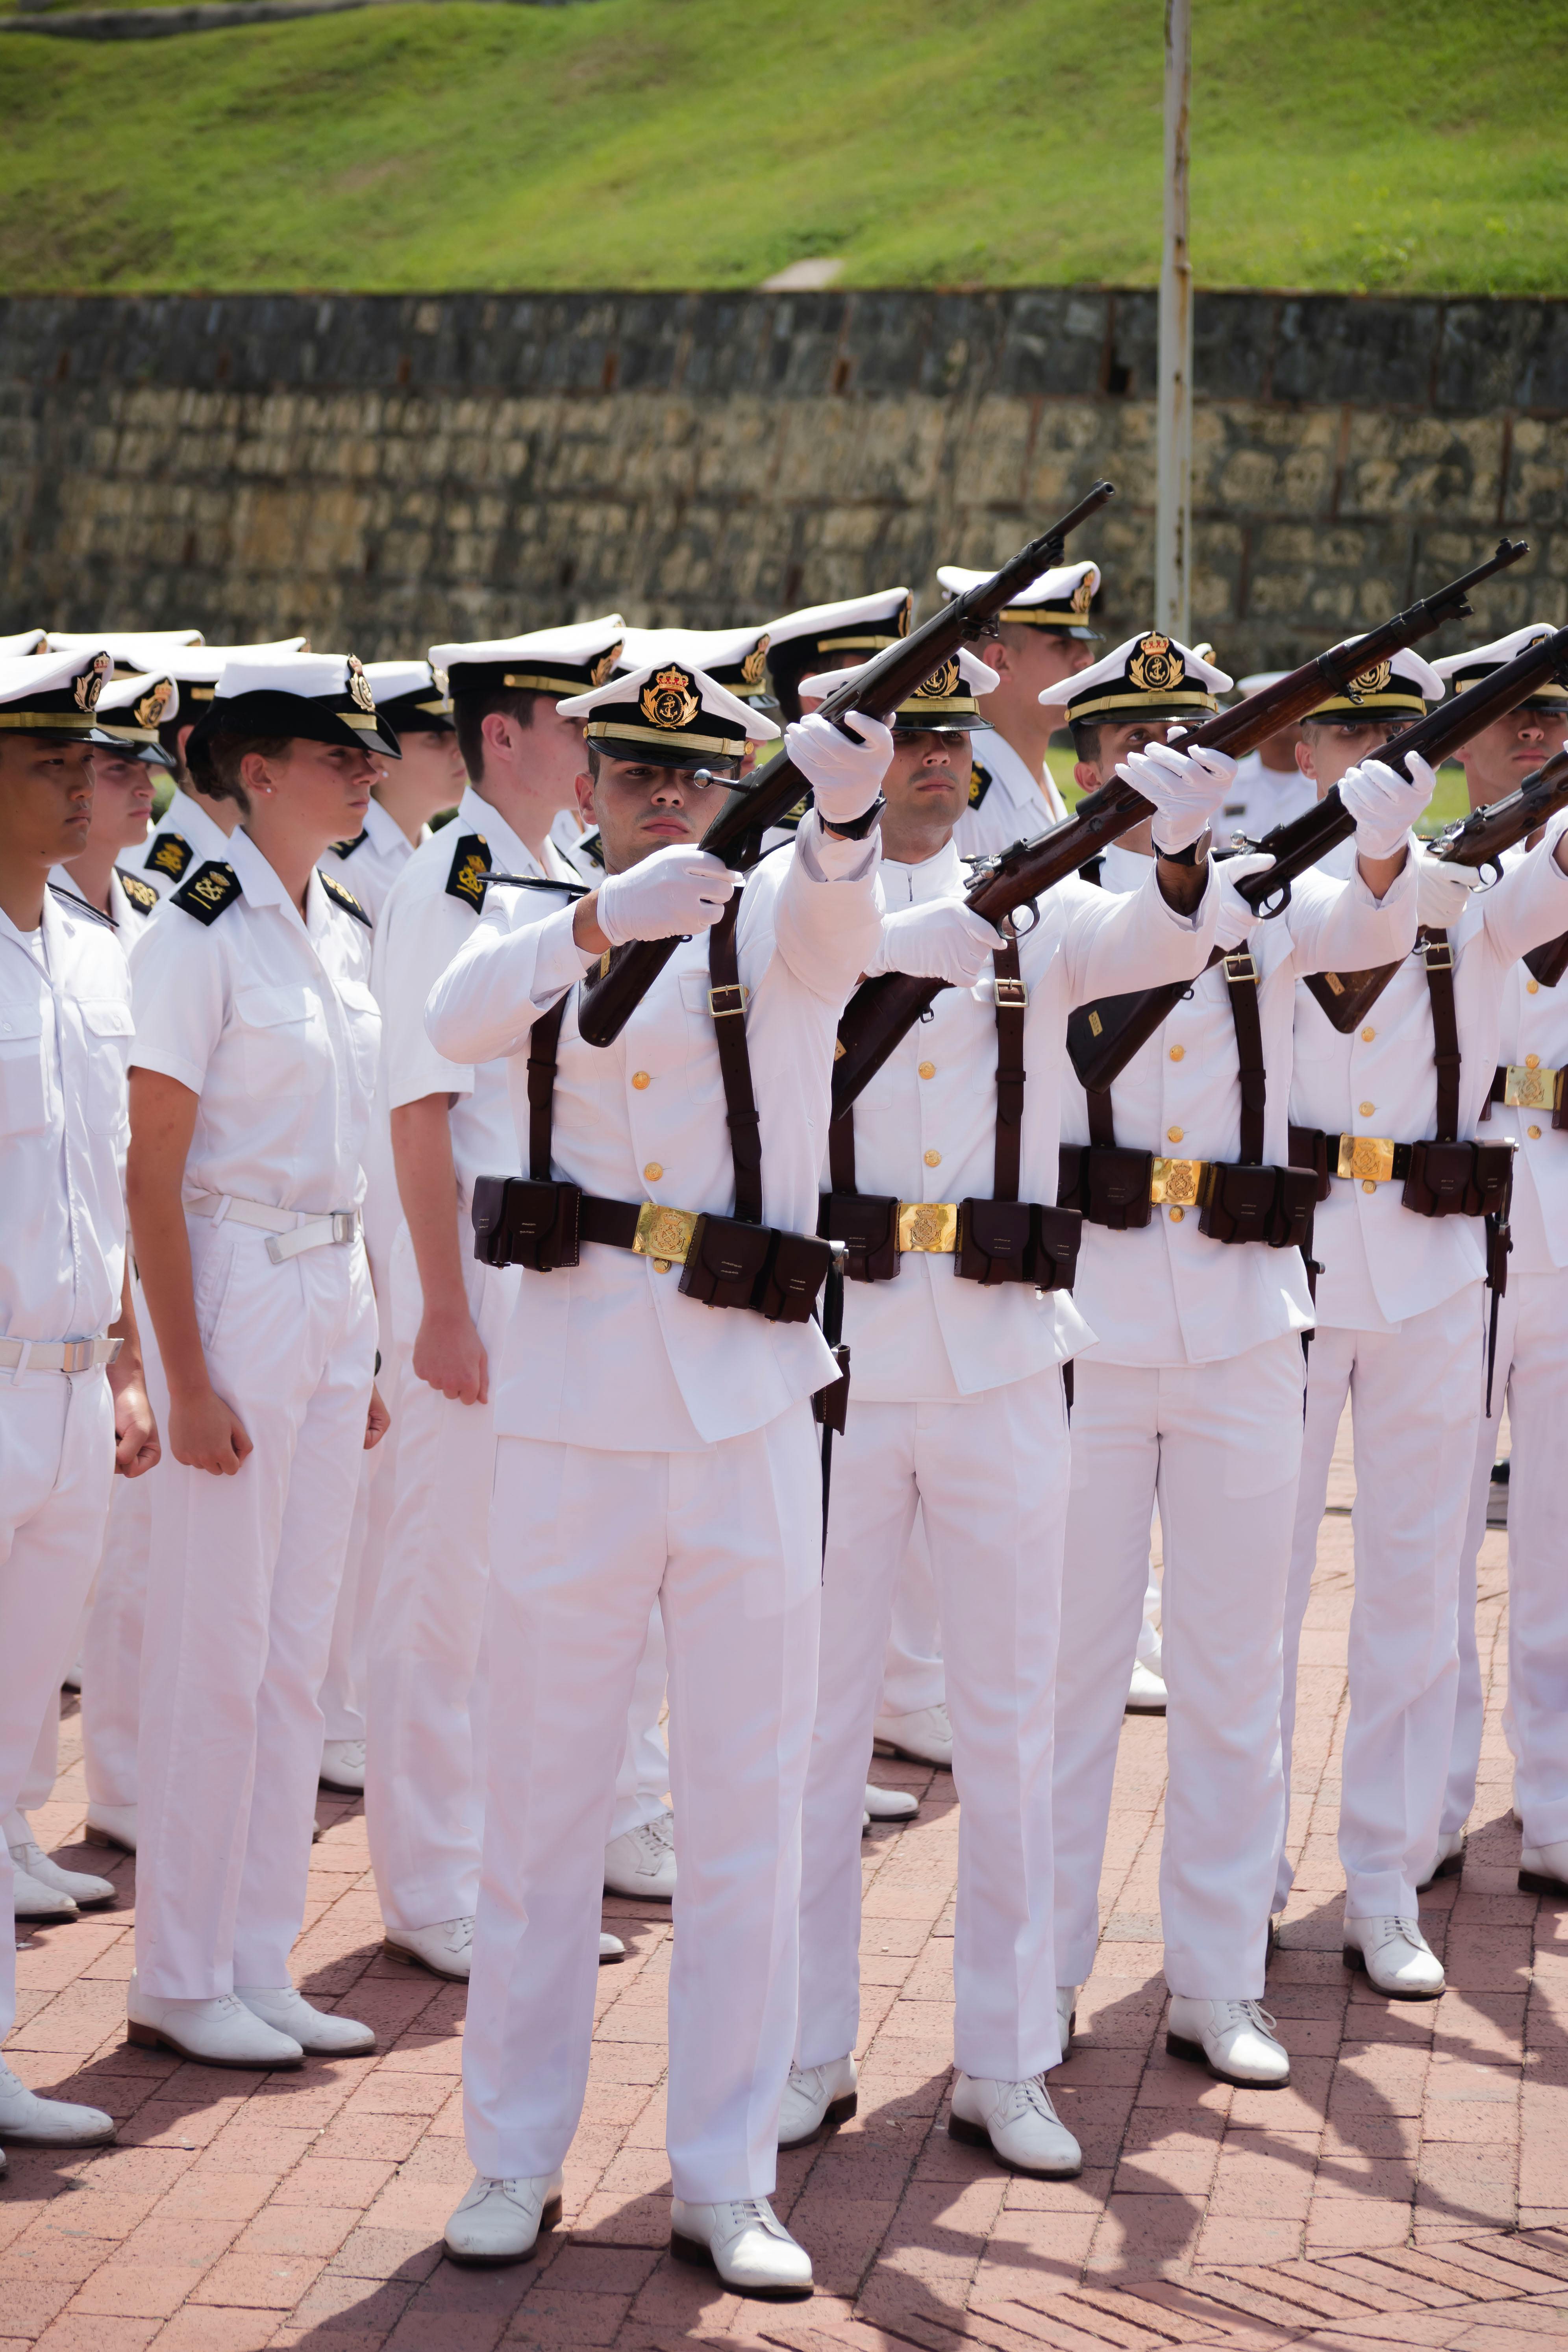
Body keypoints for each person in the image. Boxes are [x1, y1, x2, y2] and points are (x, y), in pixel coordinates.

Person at [424, 657, 885, 2292]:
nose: (666, 804)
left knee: (745, 1810)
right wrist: (596, 920)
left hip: (747, 1398)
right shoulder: (547, 915)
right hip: (569, 1406)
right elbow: (446, 1018)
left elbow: (842, 938)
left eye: (690, 782)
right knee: (541, 1810)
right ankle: (510, 2155)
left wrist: (837, 817)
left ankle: (724, 2172)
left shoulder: (770, 918)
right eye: (634, 775)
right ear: (592, 784)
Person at [787, 645, 1231, 2172]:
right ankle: (798, 2046)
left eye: (943, 737)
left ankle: (1001, 2053)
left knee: (1014, 1719)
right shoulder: (791, 913)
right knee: (815, 1727)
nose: (927, 759)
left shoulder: (1036, 912)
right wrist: (832, 845)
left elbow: (1161, 945)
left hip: (995, 1347)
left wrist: (1173, 855)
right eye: (895, 739)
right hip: (835, 1355)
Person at [1047, 631, 1429, 2087]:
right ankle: (1041, 1979)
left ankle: (1214, 1976)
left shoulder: (1273, 901)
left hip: (1249, 1316)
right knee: (1068, 1679)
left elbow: (1376, 925)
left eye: (1181, 746)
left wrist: (1390, 850)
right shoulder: (1049, 911)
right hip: (1089, 1318)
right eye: (1128, 747)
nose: (1154, 771)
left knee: (1230, 1671)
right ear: (1092, 768)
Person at [1277, 643, 1568, 1995]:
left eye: (1400, 740)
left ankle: (1383, 1877)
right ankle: (1243, 1876)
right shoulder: (1251, 895)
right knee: (1256, 1602)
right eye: (1345, 737)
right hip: (1278, 1265)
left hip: (1441, 1263)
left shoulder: (1477, 890)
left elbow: (1542, 888)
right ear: (1304, 750)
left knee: (1409, 1593)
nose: (1370, 764)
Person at [124, 648, 395, 2069]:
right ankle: (176, 1970)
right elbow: (150, 1173)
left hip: (328, 1293)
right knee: (215, 1658)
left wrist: (368, 1344)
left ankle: (254, 1957)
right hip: (231, 1287)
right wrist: (186, 1378)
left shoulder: (335, 923)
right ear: (258, 771)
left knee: (298, 1660)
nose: (365, 770)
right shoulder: (196, 933)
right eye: (334, 753)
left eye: (365, 751)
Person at [366, 621, 631, 1979]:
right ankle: (425, 1884)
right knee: (446, 1594)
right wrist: (439, 1306)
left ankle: (510, 1868)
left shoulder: (551, 875)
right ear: (504, 737)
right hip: (472, 1286)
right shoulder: (452, 880)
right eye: (572, 724)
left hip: (552, 1286)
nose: (591, 748)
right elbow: (418, 1108)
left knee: (531, 1591)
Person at [0, 644, 159, 2154]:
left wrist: (121, 1359)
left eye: (78, 763)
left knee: (5, 1760)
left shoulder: (94, 951)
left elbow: (101, 1181)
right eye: (49, 764)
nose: (78, 787)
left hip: (62, 1398)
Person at [1416, 630, 1568, 1896]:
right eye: (1509, 715)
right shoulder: (1414, 871)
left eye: (1550, 714)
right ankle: (1422, 1799)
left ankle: (1557, 1799)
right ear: (1456, 736)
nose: (1531, 733)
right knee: (1431, 1531)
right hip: (1455, 1214)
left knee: (1561, 1536)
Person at [315, 659, 470, 1800]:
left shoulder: (455, 865)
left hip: (401, 1244)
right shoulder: (436, 878)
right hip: (372, 1236)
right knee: (403, 1535)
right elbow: (406, 1096)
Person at [934, 557, 1100, 841]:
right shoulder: (963, 806)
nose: (1087, 658)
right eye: (1061, 644)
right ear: (1000, 662)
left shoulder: (1035, 777)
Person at [1211, 672, 1315, 845]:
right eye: (1273, 725)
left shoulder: (1327, 784)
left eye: (1292, 724)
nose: (1282, 733)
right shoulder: (1223, 784)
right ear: (1254, 730)